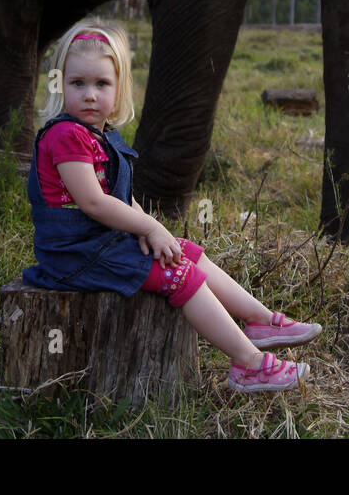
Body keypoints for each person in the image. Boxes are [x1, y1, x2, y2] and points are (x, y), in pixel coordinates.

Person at [22, 20, 321, 392]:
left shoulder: (102, 135)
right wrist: (148, 228)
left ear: (119, 89)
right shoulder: (66, 135)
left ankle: (258, 318)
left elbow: (120, 198)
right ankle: (250, 364)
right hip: (76, 254)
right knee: (182, 277)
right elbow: (94, 203)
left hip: (101, 244)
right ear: (59, 84)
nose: (89, 95)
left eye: (102, 84)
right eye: (77, 83)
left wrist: (156, 230)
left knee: (188, 254)